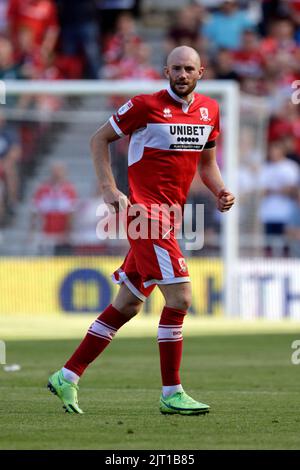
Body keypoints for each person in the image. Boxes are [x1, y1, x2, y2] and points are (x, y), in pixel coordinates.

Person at [47, 46, 235, 415]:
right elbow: (98, 139)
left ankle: (67, 376)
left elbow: (207, 164)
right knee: (180, 300)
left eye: (189, 69)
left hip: (172, 217)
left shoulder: (210, 111)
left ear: (202, 72)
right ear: (166, 70)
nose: (182, 74)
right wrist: (108, 187)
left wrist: (220, 191)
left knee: (128, 305)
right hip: (145, 215)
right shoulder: (144, 106)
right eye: (176, 68)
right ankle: (171, 392)